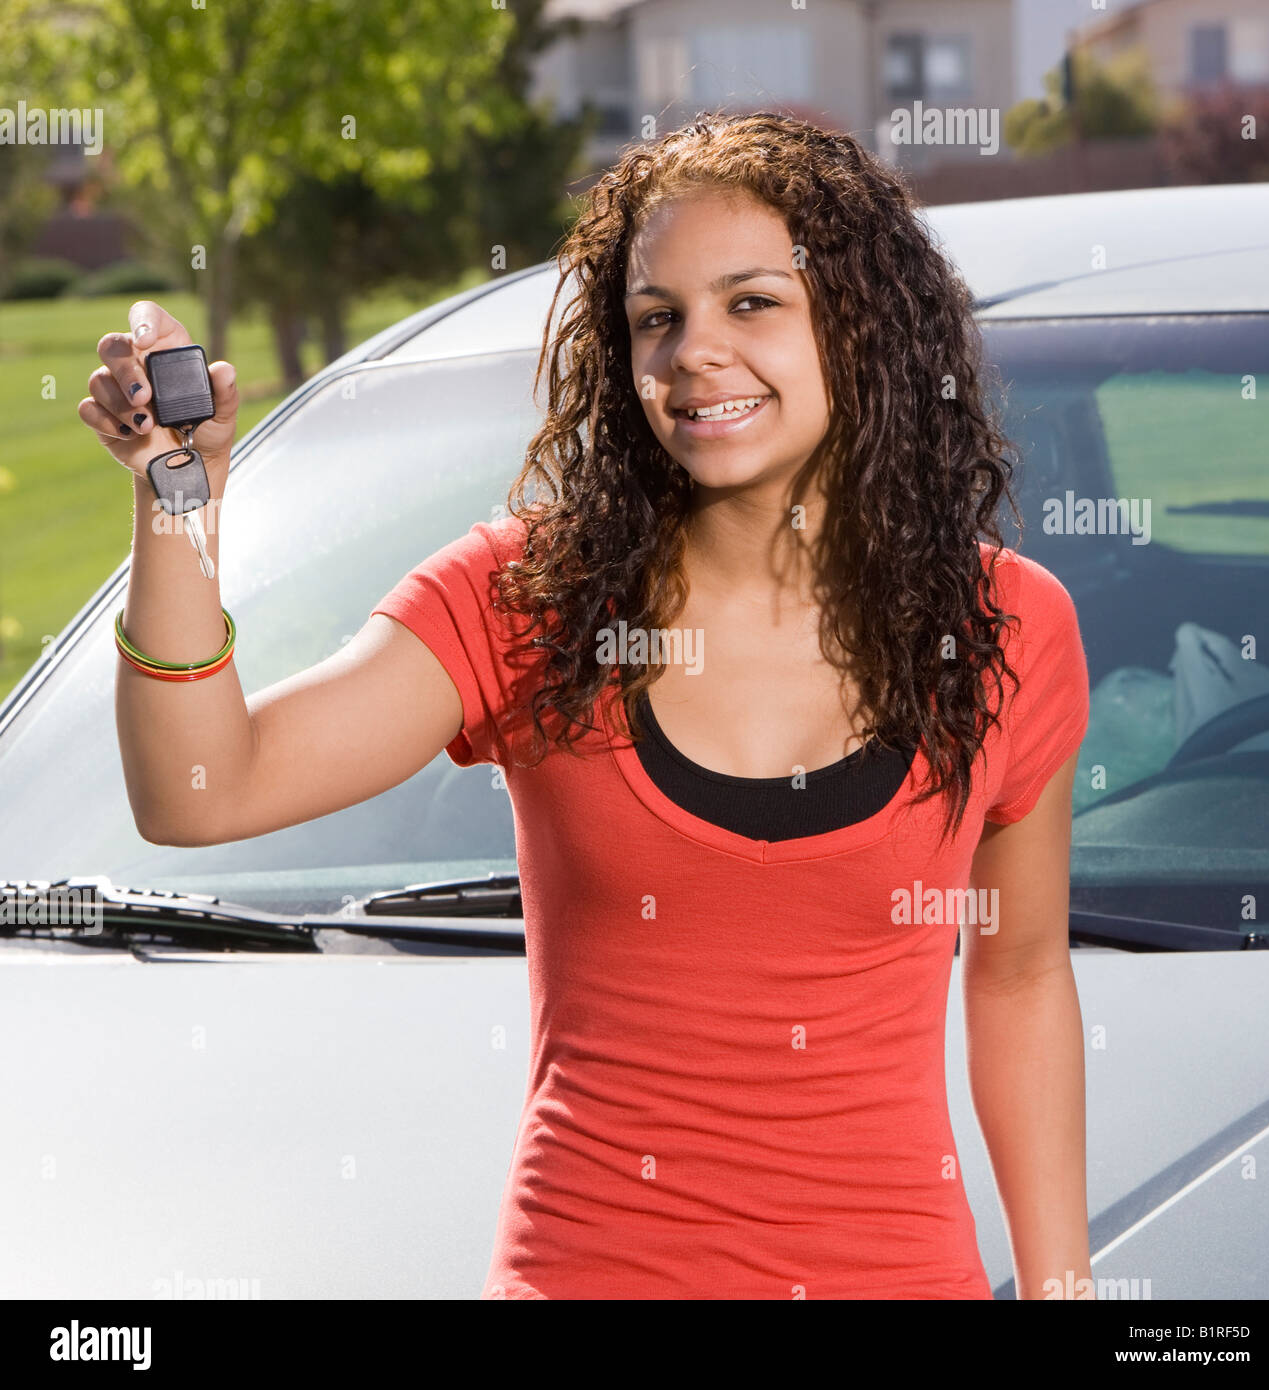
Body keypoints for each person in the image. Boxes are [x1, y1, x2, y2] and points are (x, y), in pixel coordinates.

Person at [81, 111, 1093, 1300]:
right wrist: (179, 502)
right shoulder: (528, 600)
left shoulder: (1007, 627)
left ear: (862, 324)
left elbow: (1019, 977)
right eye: (657, 318)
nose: (694, 352)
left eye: (751, 303)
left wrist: (1063, 1290)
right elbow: (201, 792)